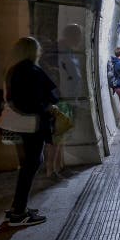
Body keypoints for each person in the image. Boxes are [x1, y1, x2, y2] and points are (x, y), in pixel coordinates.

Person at [4, 37, 59, 227]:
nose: (40, 51)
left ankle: (16, 207)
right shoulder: (33, 71)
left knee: (28, 164)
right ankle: (19, 213)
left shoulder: (13, 70)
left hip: (18, 123)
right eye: (38, 48)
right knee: (32, 164)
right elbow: (51, 94)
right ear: (32, 51)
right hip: (34, 123)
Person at [42, 24, 83, 179]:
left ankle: (59, 167)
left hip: (70, 100)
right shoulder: (56, 52)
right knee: (55, 139)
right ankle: (50, 170)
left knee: (62, 138)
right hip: (59, 101)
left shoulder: (70, 52)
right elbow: (53, 78)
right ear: (71, 36)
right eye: (78, 36)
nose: (80, 39)